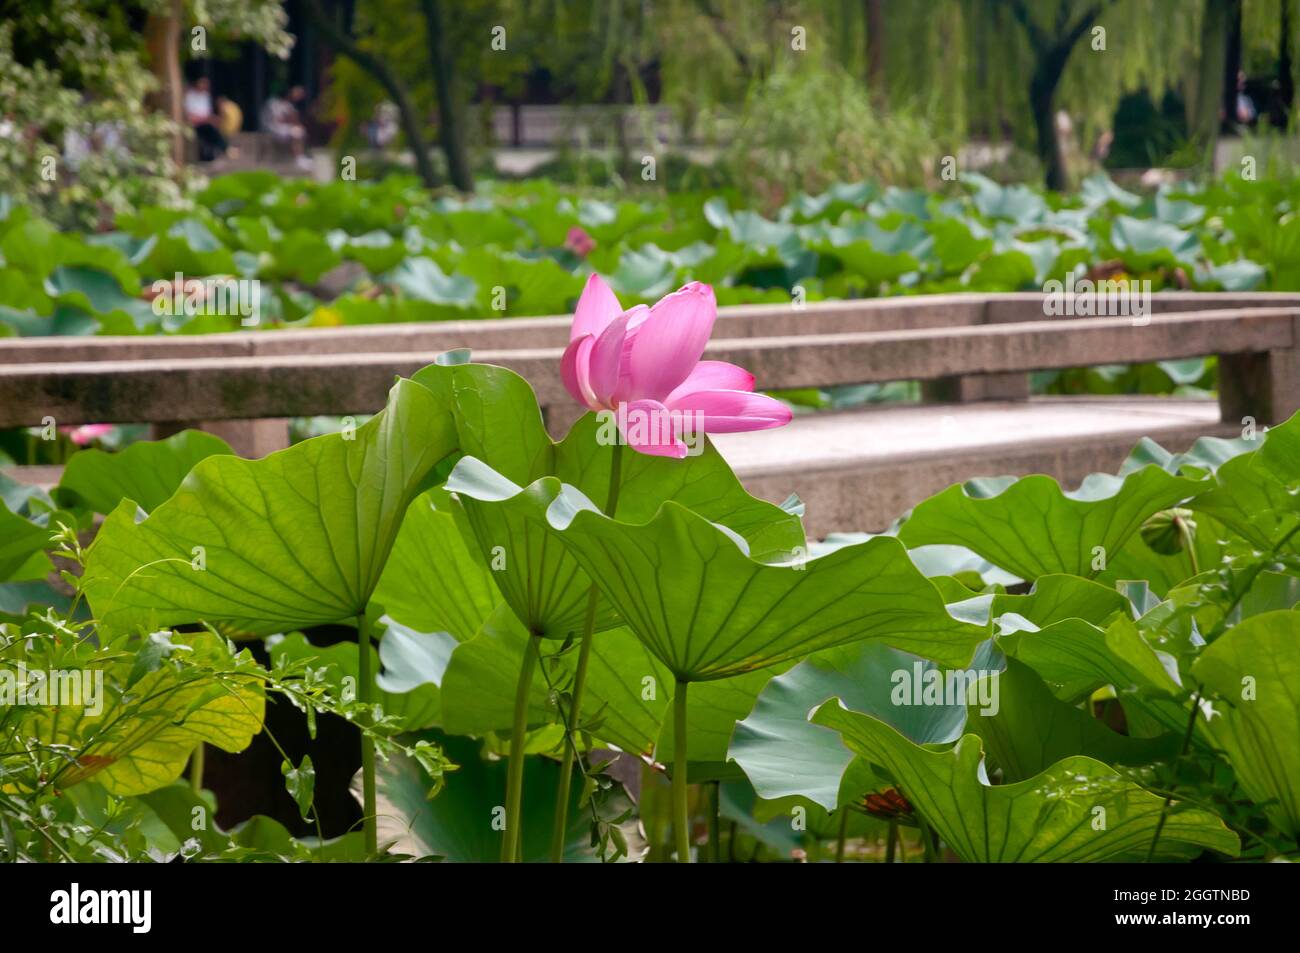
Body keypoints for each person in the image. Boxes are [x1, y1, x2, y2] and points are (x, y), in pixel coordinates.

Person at [261, 88, 312, 170]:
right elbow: (277, 120)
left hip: (284, 128)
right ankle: (299, 158)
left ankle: (301, 156)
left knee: (300, 130)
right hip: (272, 128)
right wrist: (288, 119)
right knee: (297, 132)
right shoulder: (273, 103)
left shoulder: (289, 104)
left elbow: (294, 119)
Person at [184, 77, 227, 161]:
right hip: (195, 124)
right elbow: (190, 116)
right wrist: (206, 119)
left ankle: (217, 150)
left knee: (215, 127)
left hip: (205, 122)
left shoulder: (206, 96)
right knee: (211, 129)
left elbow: (207, 113)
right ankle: (224, 148)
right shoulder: (190, 96)